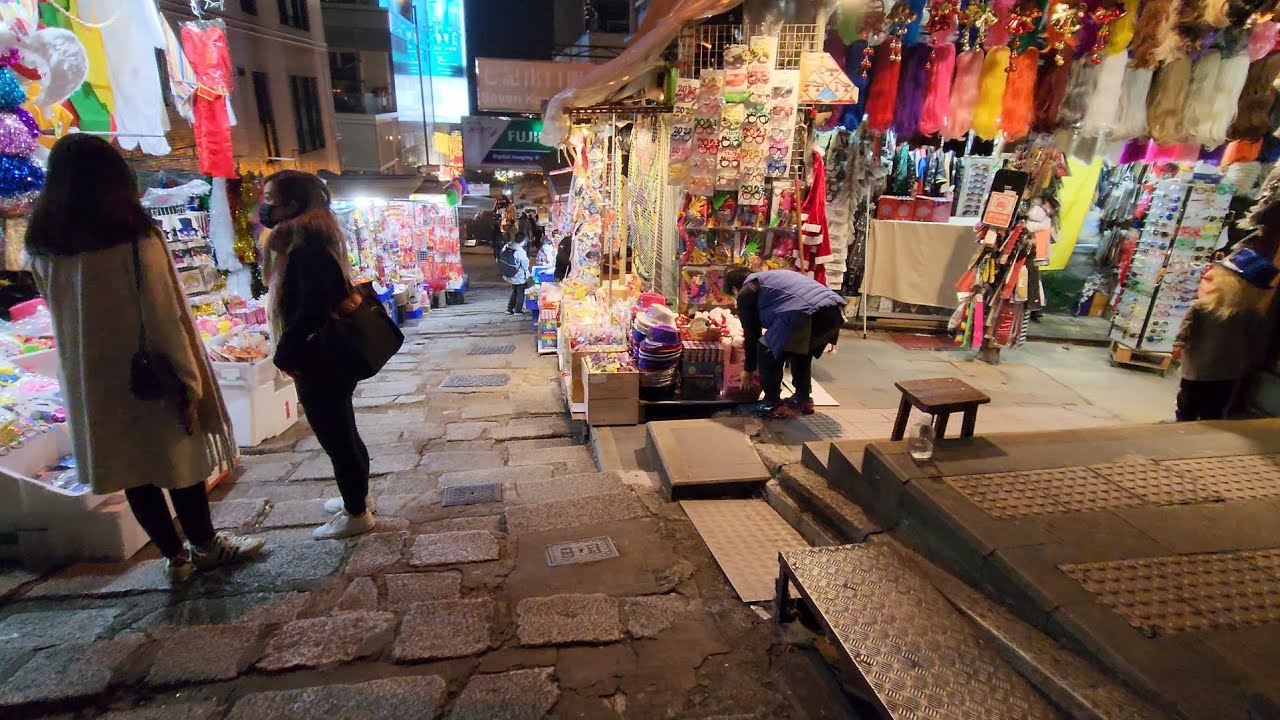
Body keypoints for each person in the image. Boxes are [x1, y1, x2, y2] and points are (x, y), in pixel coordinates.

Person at [26, 134, 263, 583]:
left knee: (135, 470)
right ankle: (206, 546)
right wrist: (189, 384)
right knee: (179, 462)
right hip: (151, 373)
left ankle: (175, 559)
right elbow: (162, 315)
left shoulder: (42, 246)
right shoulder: (134, 237)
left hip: (92, 381)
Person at [262, 170, 376, 540]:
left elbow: (311, 307)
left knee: (335, 434)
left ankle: (356, 511)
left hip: (320, 356)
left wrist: (287, 352)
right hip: (326, 353)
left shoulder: (306, 246)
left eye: (271, 200)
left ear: (292, 205)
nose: (265, 207)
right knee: (342, 428)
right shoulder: (314, 238)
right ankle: (357, 497)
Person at [724, 267, 846, 419]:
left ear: (735, 289)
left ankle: (771, 403)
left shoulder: (747, 290)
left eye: (734, 297)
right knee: (801, 352)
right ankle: (803, 399)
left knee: (766, 349)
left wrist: (748, 370)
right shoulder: (770, 278)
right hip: (834, 310)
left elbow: (752, 335)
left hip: (805, 312)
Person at [1172, 247, 1277, 421]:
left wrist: (1179, 345)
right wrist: (1179, 344)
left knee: (1201, 406)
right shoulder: (1203, 308)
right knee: (1199, 405)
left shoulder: (1246, 315)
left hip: (1211, 369)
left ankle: (1188, 426)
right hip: (1214, 370)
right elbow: (1185, 331)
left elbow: (1254, 341)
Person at [499, 232, 532, 315]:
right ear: (523, 241)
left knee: (514, 291)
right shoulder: (520, 251)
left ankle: (509, 309)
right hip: (519, 276)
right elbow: (525, 266)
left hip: (510, 274)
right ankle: (517, 310)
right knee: (520, 293)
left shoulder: (507, 246)